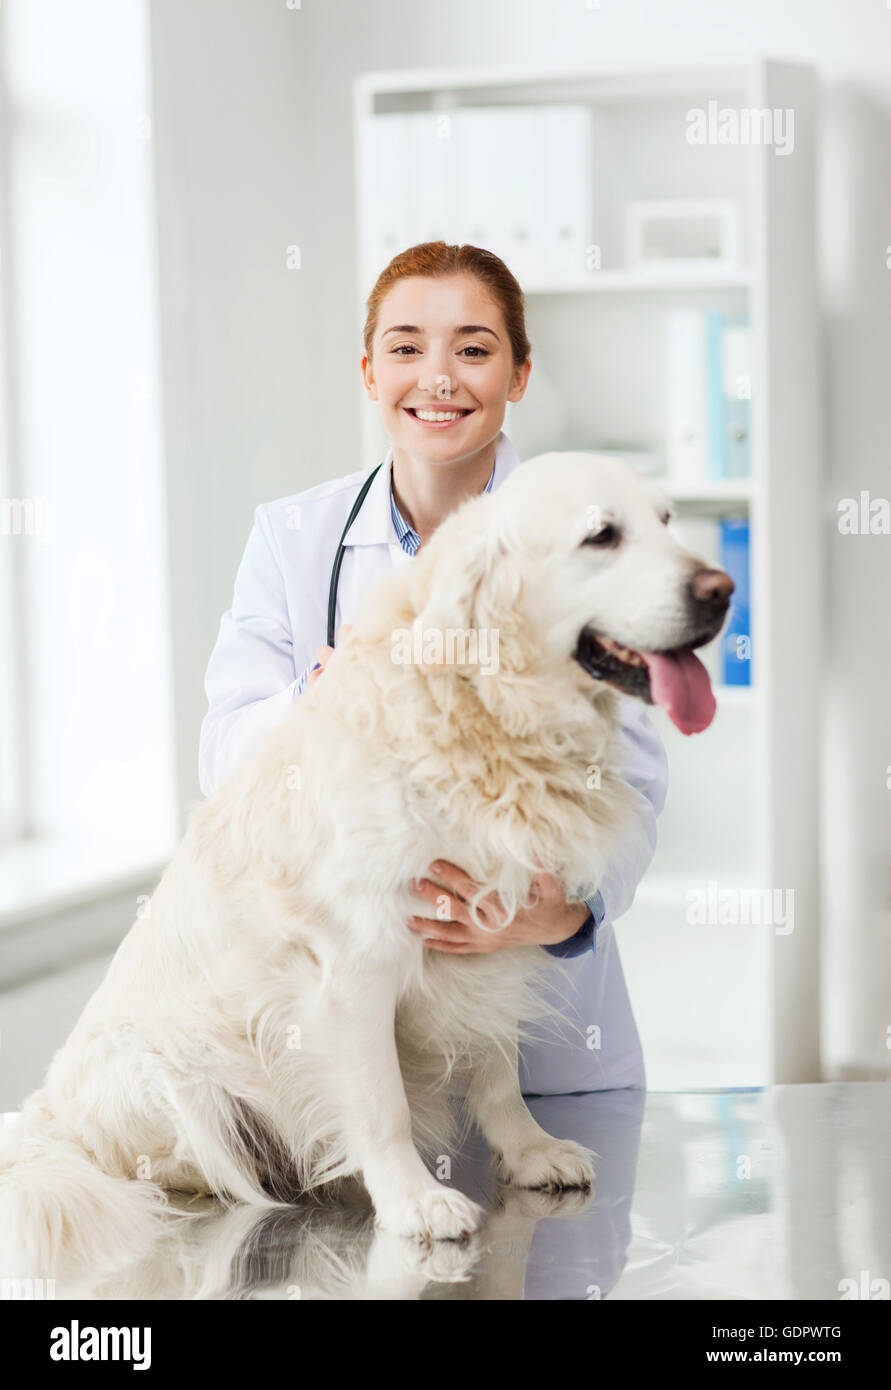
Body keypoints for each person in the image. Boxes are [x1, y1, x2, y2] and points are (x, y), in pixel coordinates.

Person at [198, 241, 668, 1094]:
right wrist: (331, 700)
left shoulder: (590, 533)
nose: (439, 377)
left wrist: (562, 912)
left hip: (543, 1042)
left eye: (475, 349)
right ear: (370, 372)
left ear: (519, 374)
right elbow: (224, 755)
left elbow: (632, 782)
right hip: (358, 1034)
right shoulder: (293, 538)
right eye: (407, 347)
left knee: (567, 1219)